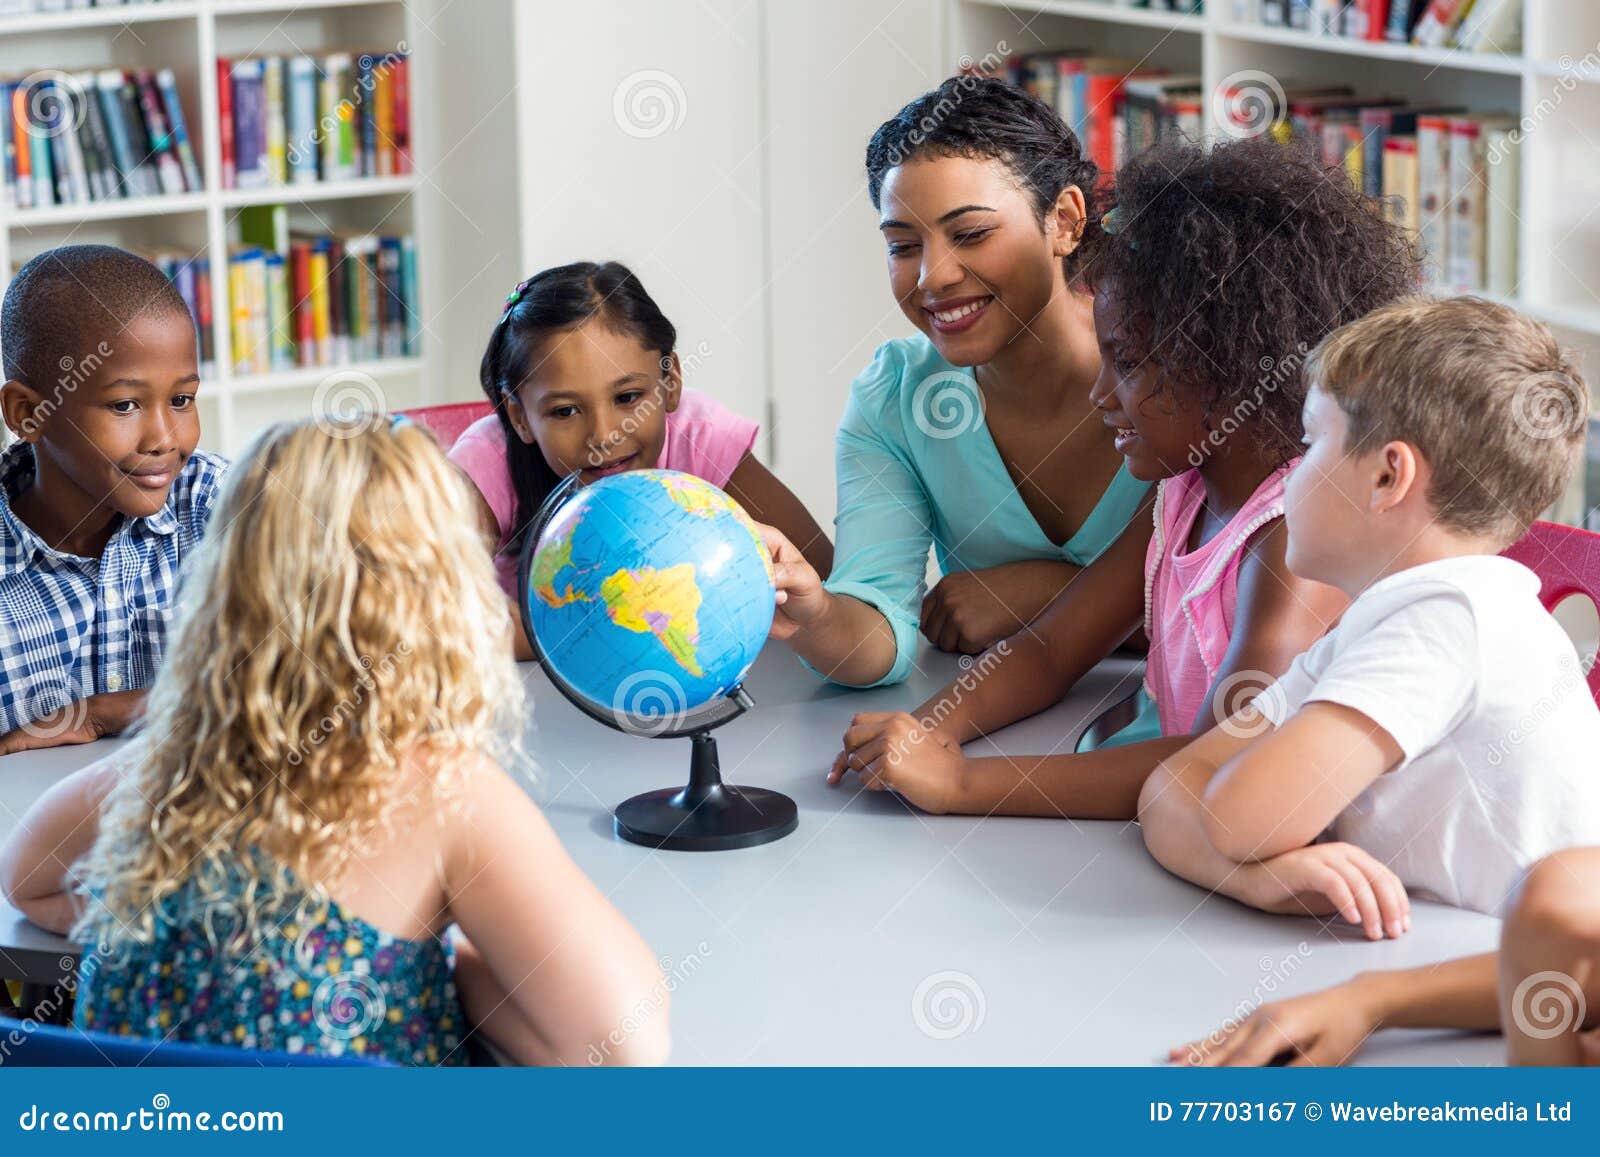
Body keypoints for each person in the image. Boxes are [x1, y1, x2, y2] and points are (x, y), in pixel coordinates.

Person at [0, 417, 669, 1066]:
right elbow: (623, 1045)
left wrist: (222, 943)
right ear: (443, 597)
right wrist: (427, 963)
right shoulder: (443, 790)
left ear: (228, 585)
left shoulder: (165, 765)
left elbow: (27, 884)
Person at [829, 138, 1416, 820]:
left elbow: (1216, 757)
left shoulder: (1292, 539)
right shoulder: (1185, 491)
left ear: (1228, 361)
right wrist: (929, 730)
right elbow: (1052, 648)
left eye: (1129, 364)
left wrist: (963, 784)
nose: (1101, 393)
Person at [1138, 296, 1600, 938]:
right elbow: (1170, 787)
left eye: (1309, 443)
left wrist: (1244, 844)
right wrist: (1256, 879)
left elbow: (1239, 818)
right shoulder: (1386, 621)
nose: (1290, 474)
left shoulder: (1448, 620)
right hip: (1423, 965)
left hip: (1507, 1003)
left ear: (1388, 477)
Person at [762, 75, 1151, 689]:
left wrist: (1047, 593)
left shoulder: (1174, 366)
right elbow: (877, 636)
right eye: (903, 246)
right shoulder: (894, 399)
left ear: (1066, 221)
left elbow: (1244, 596)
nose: (932, 278)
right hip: (1004, 731)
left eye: (971, 234)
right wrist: (815, 614)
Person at [451, 260, 831, 659]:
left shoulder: (698, 439)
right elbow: (415, 611)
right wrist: (590, 636)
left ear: (670, 382)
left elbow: (823, 580)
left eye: (627, 398)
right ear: (518, 416)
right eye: (565, 411)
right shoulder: (488, 460)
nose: (603, 435)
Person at [0, 244, 224, 755]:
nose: (164, 438)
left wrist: (113, 713)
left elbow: (330, 682)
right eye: (125, 404)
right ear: (27, 413)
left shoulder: (228, 510)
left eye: (182, 400)